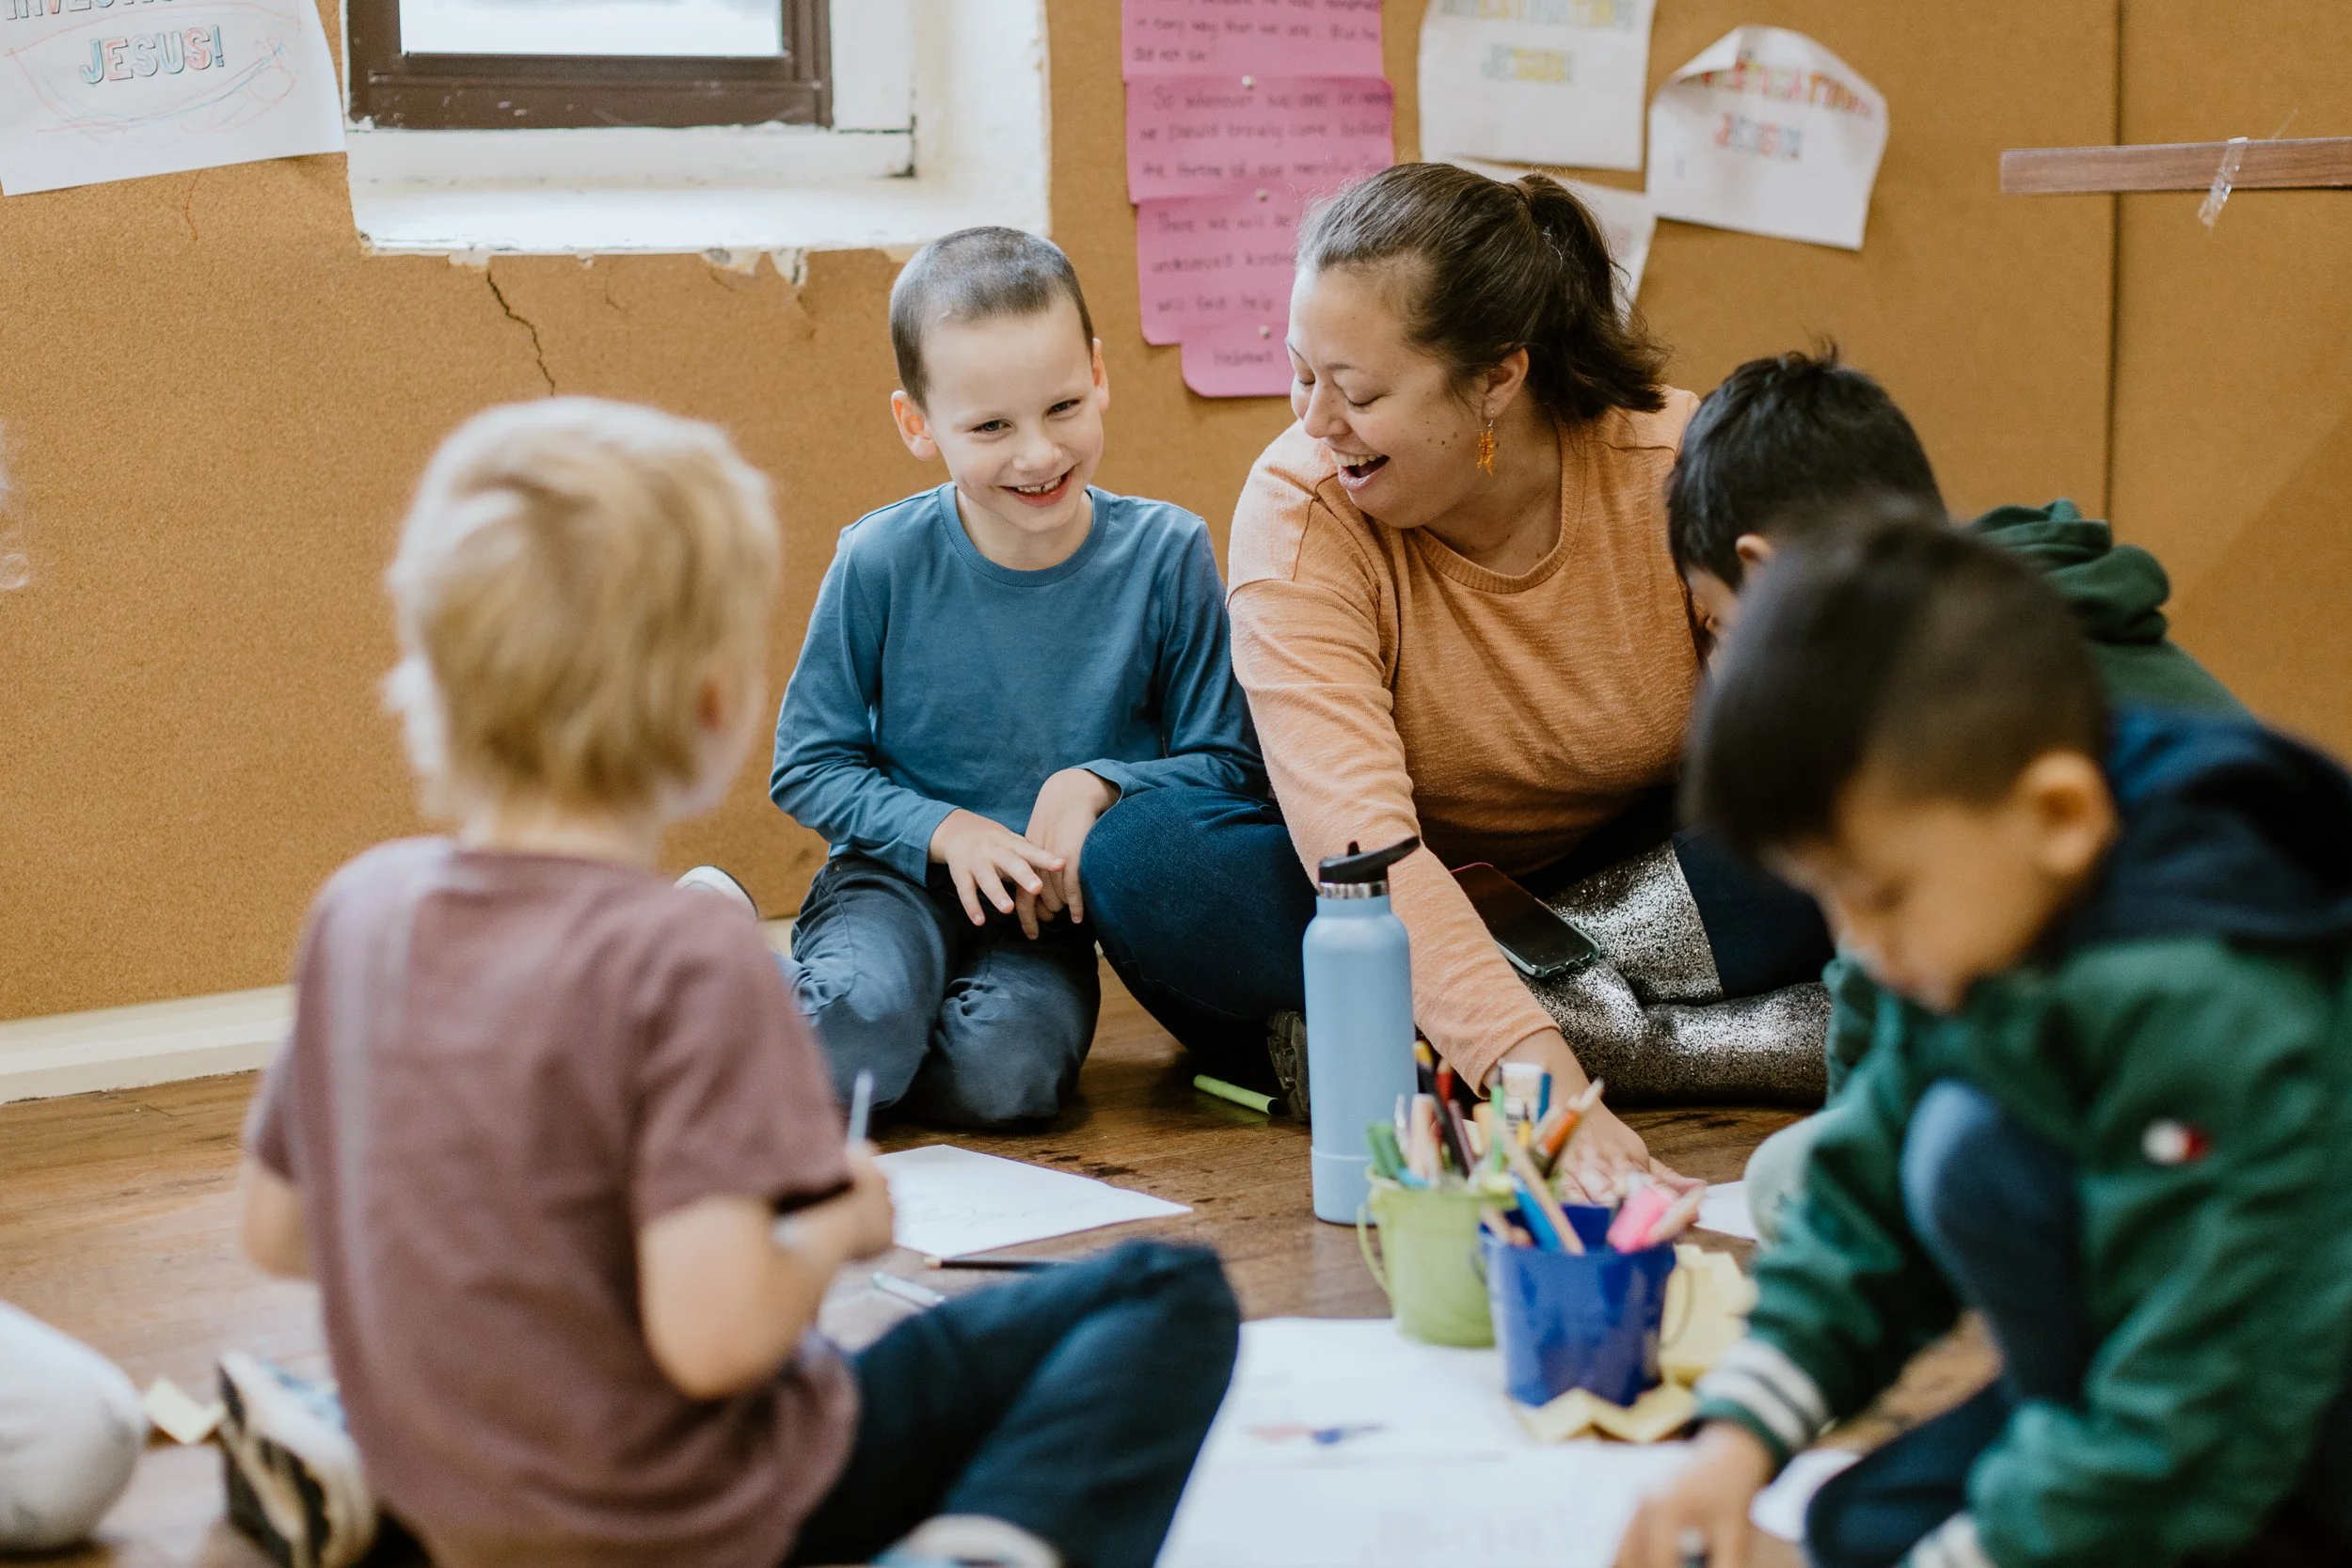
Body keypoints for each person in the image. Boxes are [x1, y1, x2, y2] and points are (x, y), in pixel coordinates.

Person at [234, 398, 1239, 1568]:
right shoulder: (682, 956)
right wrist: (832, 1230)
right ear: (715, 709)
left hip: (459, 1492)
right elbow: (716, 1342)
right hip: (700, 1517)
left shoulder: (360, 906)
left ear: (428, 683)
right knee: (1168, 1293)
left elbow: (281, 1231)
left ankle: (359, 1459)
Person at [1082, 162, 1831, 1197]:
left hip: (1628, 868)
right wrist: (1550, 1098)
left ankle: (1398, 1045)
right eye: (1300, 373)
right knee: (1145, 862)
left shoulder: (1672, 461)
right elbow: (1367, 856)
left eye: (1357, 391)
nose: (1314, 421)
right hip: (1383, 881)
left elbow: (1789, 748)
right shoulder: (1300, 512)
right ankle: (1663, 1043)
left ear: (1497, 378)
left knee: (1811, 837)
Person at [1616, 523, 2352, 1568]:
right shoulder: (1984, 906)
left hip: (2287, 1419)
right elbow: (1866, 1193)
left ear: (2057, 813)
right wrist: (1736, 1437)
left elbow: (2198, 1407)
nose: (1857, 944)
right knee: (1849, 1529)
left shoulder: (2218, 996)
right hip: (2169, 1377)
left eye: (1880, 896)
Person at [1663, 349, 2246, 1244]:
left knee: (1802, 1178)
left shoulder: (1923, 699)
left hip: (2208, 1092)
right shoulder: (2020, 610)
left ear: (1770, 571)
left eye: (1722, 627)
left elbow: (1884, 998)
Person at [756, 227, 1264, 1127]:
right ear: (918, 425)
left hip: (1038, 920)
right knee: (850, 1046)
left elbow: (1228, 762)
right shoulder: (879, 558)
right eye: (990, 427)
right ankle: (758, 977)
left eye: (1063, 406)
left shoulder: (1168, 551)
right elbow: (808, 763)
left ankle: (867, 1040)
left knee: (1009, 1085)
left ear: (1099, 374)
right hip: (894, 878)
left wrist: (1096, 783)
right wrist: (948, 830)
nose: (1038, 455)